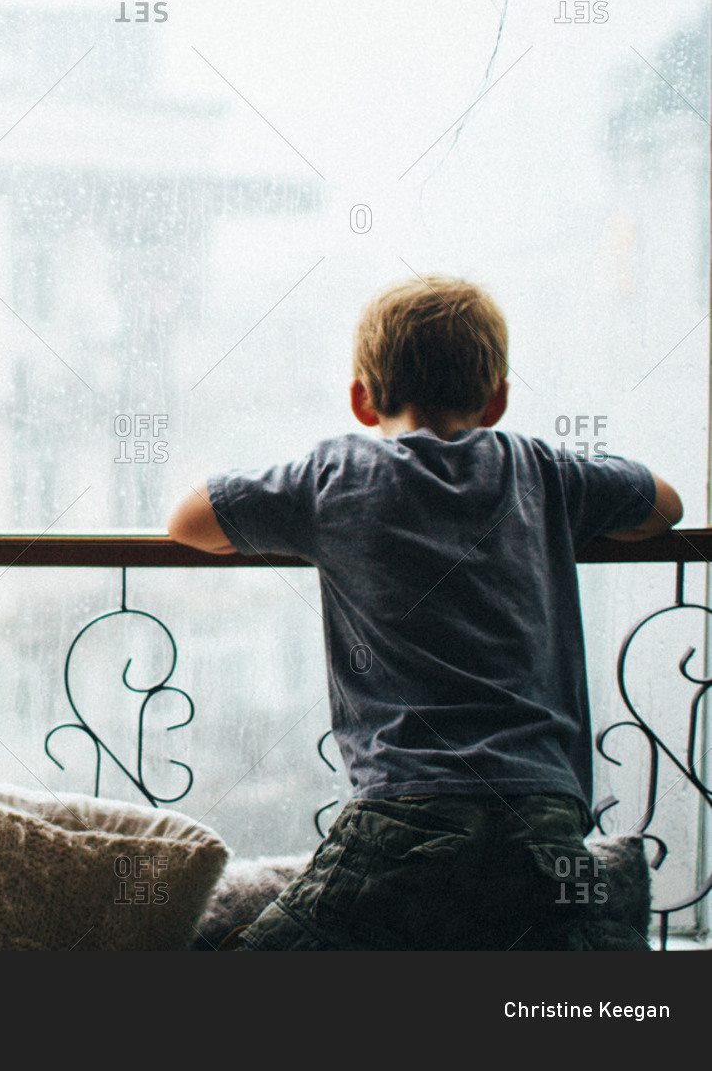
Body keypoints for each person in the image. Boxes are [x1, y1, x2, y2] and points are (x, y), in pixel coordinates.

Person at [166, 275, 682, 949]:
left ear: (360, 398)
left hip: (401, 817)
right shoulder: (543, 471)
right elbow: (664, 505)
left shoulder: (335, 475)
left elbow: (188, 521)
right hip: (542, 814)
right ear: (495, 398)